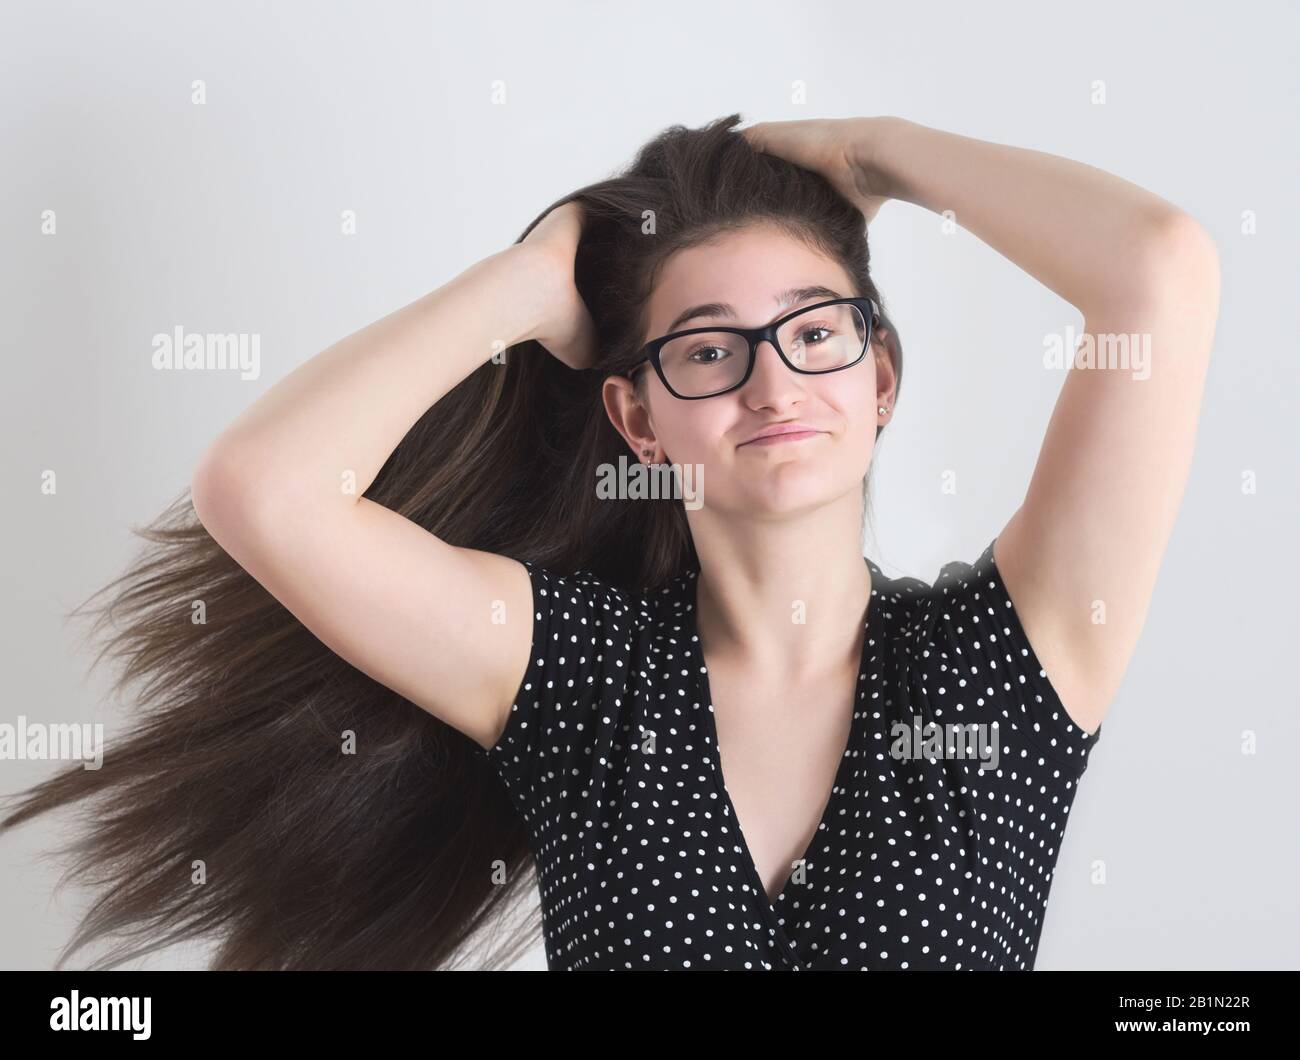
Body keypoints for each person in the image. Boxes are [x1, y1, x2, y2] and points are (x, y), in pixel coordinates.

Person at [2, 113, 1218, 970]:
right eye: (706, 348)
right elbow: (260, 487)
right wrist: (531, 281)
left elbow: (1158, 271)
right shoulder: (579, 675)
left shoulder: (1008, 659)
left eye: (815, 332)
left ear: (880, 376)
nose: (772, 380)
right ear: (637, 417)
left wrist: (866, 155)